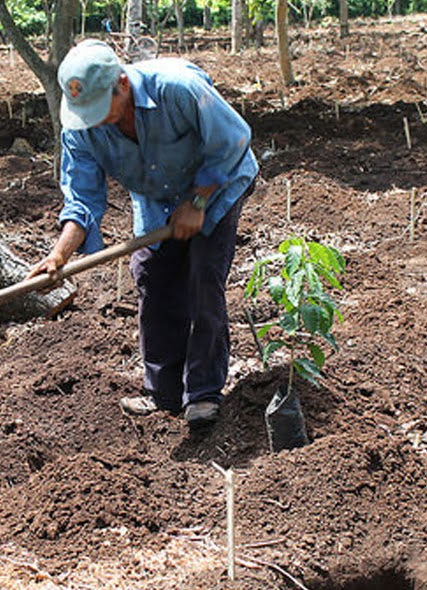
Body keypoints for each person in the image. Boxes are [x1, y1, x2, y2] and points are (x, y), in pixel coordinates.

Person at [28, 40, 258, 428]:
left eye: (101, 109)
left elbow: (231, 140)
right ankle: (163, 393)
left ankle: (202, 393)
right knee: (152, 276)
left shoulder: (178, 88)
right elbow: (82, 196)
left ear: (123, 83)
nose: (95, 121)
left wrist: (198, 203)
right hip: (156, 199)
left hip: (216, 185)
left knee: (203, 276)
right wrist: (59, 256)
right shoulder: (81, 130)